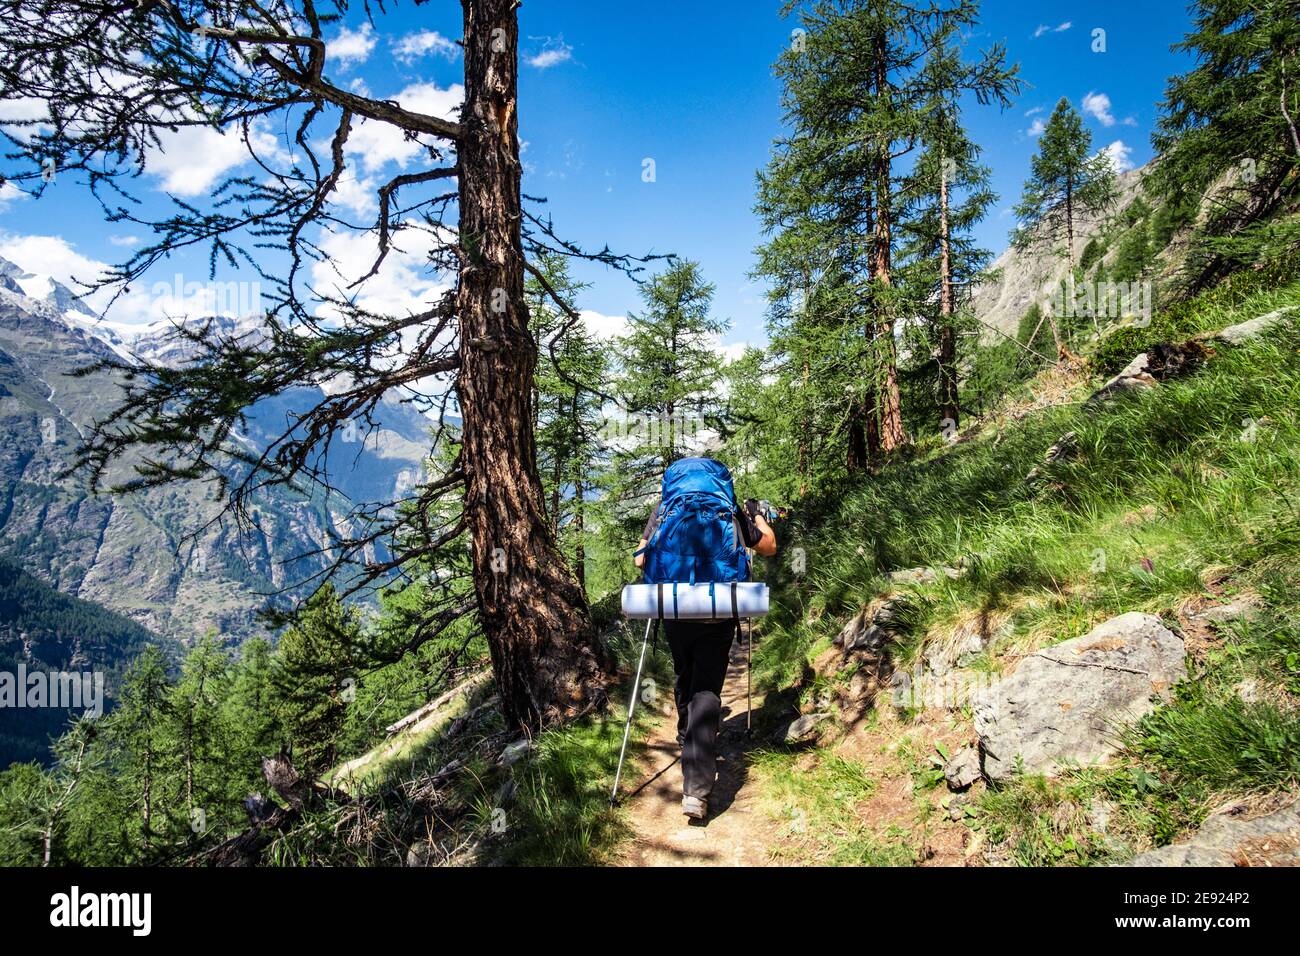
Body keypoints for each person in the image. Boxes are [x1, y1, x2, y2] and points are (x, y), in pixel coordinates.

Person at [634, 495, 777, 820]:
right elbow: (769, 546)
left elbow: (641, 560)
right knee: (707, 688)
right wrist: (756, 517)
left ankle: (687, 735)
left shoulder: (665, 508)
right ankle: (696, 790)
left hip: (674, 608)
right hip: (718, 609)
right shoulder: (729, 507)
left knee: (684, 672)